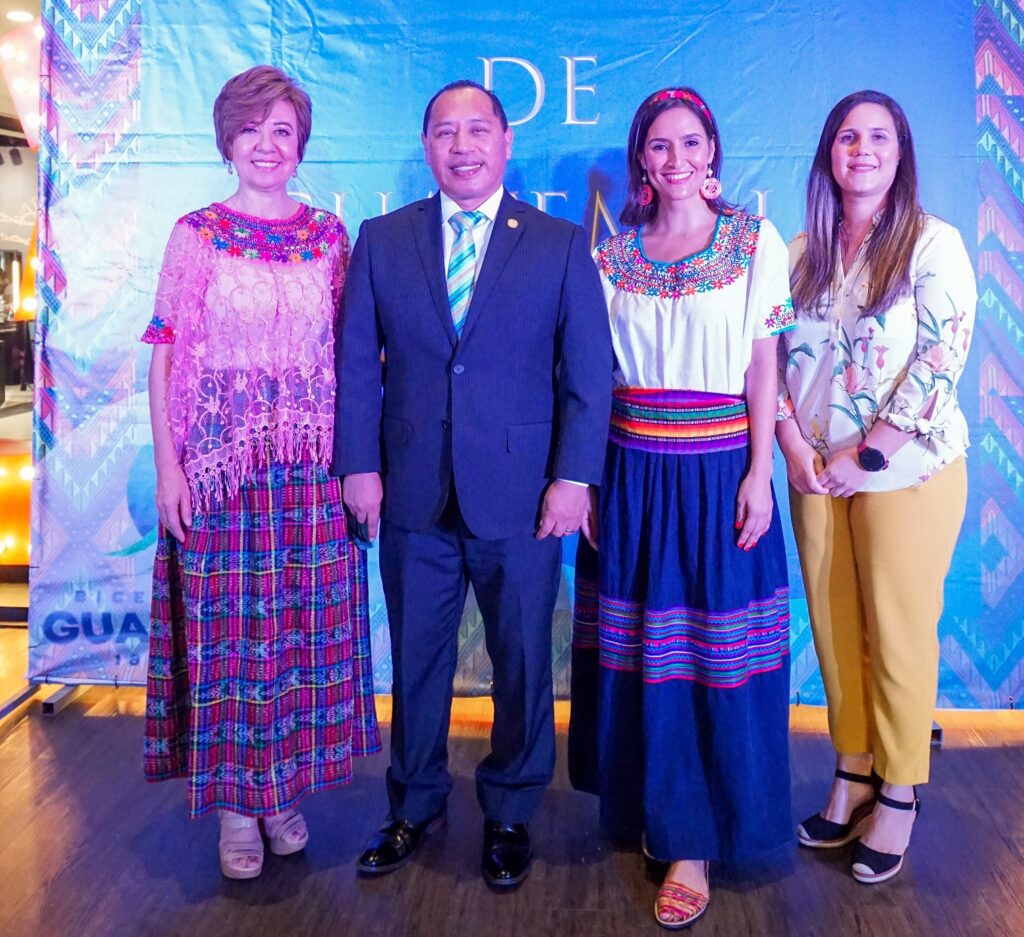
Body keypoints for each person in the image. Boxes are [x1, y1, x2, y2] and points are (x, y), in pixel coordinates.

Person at [334, 79, 612, 888]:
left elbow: (587, 376)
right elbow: (357, 360)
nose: (462, 145)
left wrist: (573, 479)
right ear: (426, 146)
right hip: (410, 494)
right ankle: (413, 802)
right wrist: (358, 462)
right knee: (416, 662)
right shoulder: (383, 238)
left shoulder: (558, 243)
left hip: (523, 497)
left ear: (504, 142)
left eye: (477, 130)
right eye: (445, 132)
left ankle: (513, 809)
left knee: (523, 659)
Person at [141, 65, 379, 880]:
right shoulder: (196, 233)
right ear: (227, 142)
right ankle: (236, 809)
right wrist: (171, 467)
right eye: (253, 131)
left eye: (284, 132)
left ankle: (284, 794)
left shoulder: (327, 237)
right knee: (231, 638)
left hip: (311, 472)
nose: (268, 146)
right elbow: (165, 354)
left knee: (301, 637)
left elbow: (352, 358)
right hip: (219, 472)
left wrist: (359, 464)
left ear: (301, 144)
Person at [568, 87, 795, 929]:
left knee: (709, 655)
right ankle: (655, 815)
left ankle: (696, 841)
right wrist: (588, 479)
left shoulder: (750, 241)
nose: (675, 160)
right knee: (643, 656)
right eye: (658, 147)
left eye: (689, 143)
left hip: (714, 470)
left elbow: (763, 364)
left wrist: (758, 468)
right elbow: (595, 383)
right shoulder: (613, 256)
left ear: (712, 151)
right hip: (631, 471)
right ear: (641, 161)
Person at [777, 89, 975, 884]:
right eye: (847, 136)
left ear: (902, 152)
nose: (862, 148)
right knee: (833, 625)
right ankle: (853, 767)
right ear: (829, 151)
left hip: (905, 470)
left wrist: (871, 450)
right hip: (815, 470)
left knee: (895, 630)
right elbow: (770, 360)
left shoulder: (934, 243)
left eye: (879, 136)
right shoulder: (801, 250)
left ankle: (899, 786)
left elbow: (939, 359)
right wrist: (794, 443)